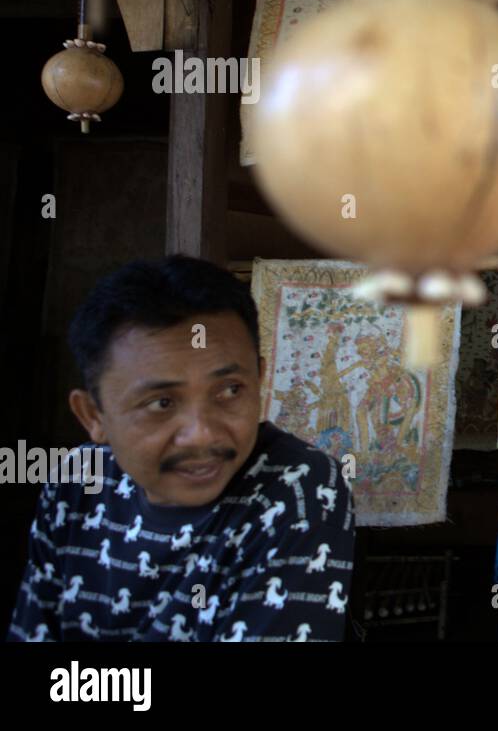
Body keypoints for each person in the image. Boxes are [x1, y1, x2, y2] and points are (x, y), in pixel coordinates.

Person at [6, 256, 356, 642]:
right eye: (162, 403)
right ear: (94, 416)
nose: (202, 435)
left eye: (229, 390)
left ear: (260, 379)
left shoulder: (296, 488)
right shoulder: (76, 484)